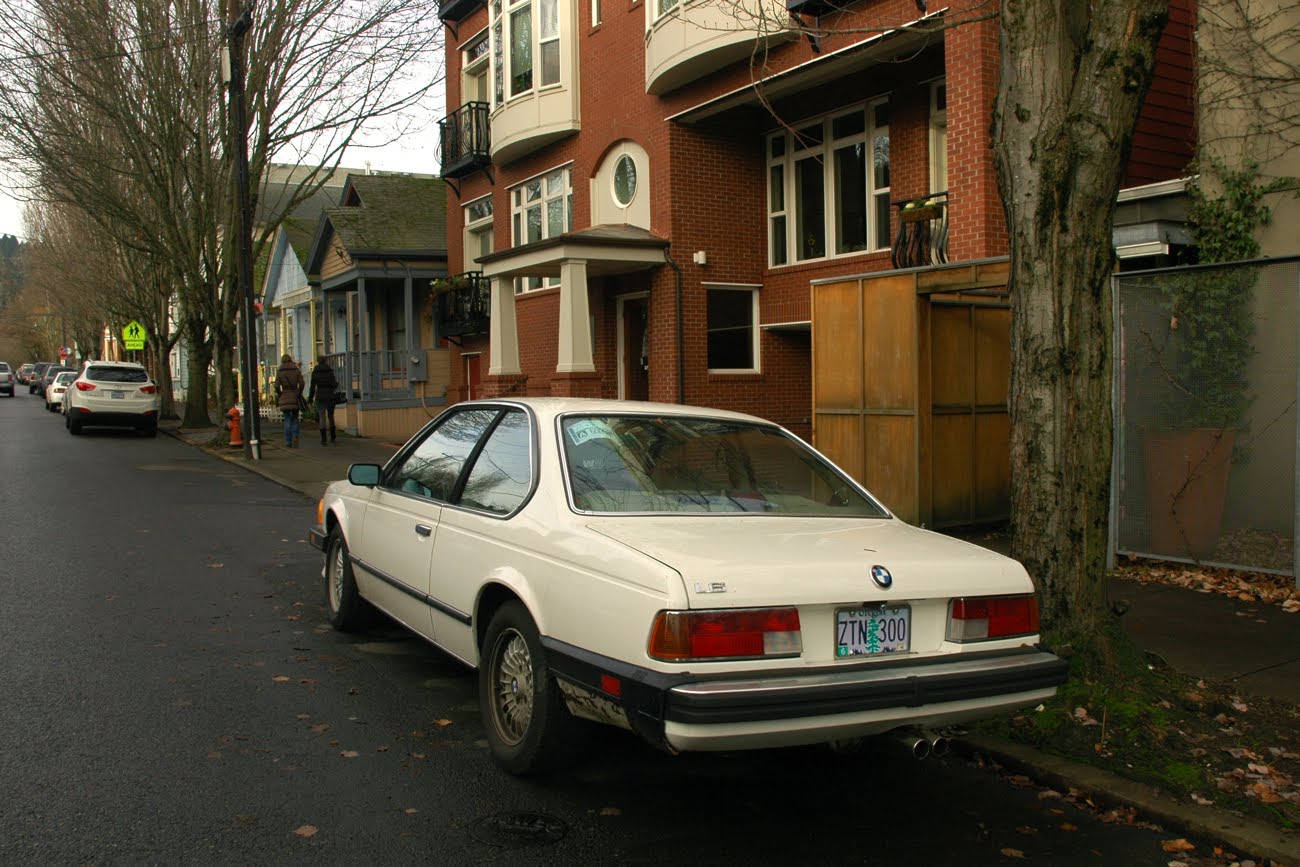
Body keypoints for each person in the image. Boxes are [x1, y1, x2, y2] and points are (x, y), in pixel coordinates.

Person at [274, 352, 306, 448]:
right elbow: (302, 383)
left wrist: (280, 393)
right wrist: (299, 392)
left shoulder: (280, 371)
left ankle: (288, 441)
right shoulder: (296, 370)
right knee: (295, 419)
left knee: (287, 419)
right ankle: (295, 437)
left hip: (285, 396)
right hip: (295, 396)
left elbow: (276, 386)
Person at [307, 356, 339, 445]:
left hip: (320, 395)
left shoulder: (315, 372)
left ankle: (323, 438)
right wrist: (336, 384)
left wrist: (310, 398)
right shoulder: (330, 371)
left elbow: (312, 387)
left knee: (322, 416)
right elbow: (334, 384)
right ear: (325, 361)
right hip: (330, 395)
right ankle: (333, 436)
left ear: (318, 362)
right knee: (331, 416)